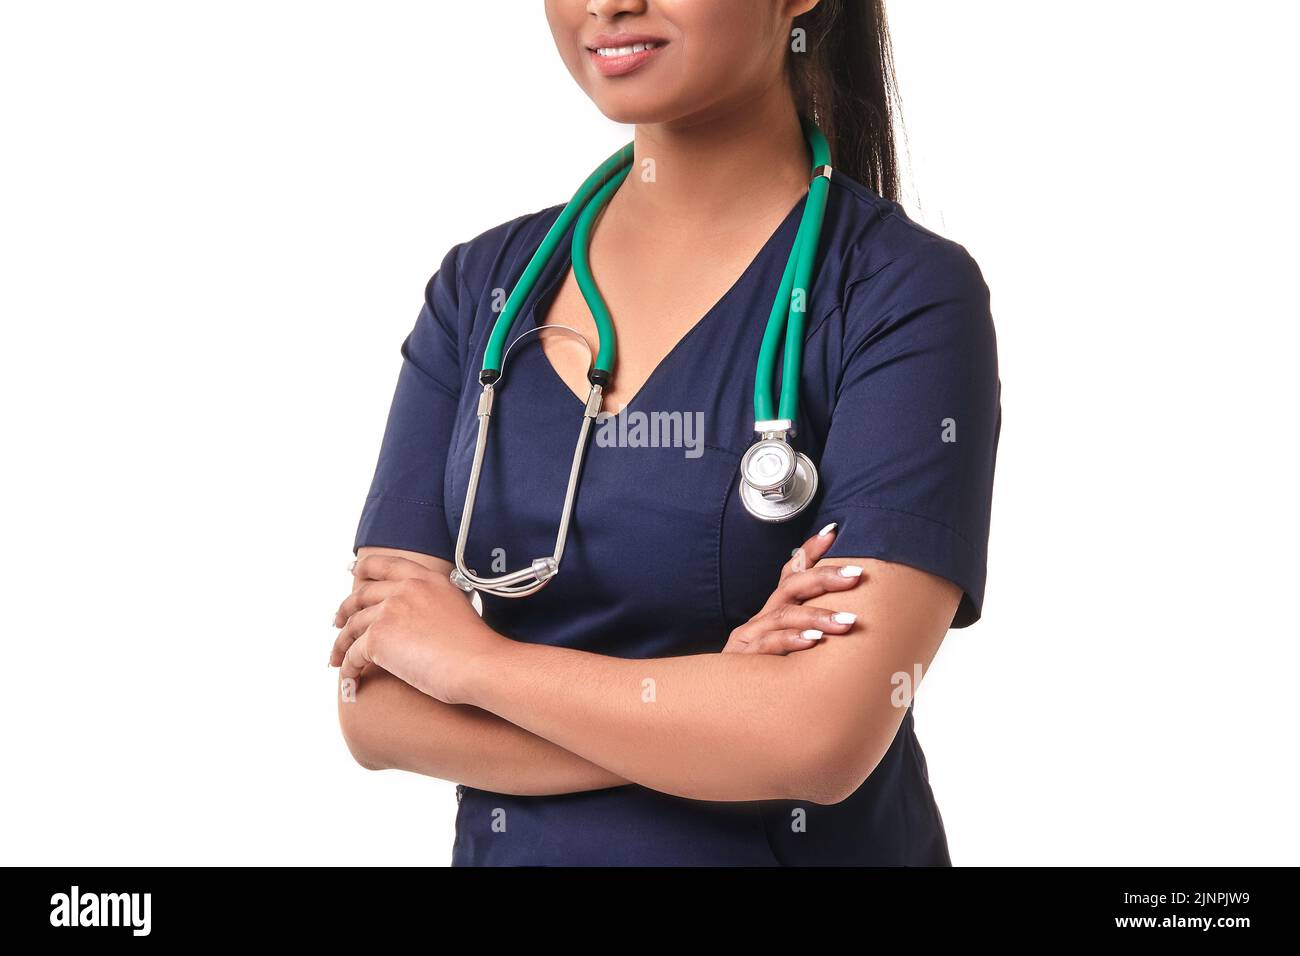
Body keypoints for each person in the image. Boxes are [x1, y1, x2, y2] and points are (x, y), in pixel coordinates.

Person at [330, 0, 1000, 866]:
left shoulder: (902, 297)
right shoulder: (483, 293)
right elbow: (373, 700)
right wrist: (717, 707)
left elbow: (818, 739)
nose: (609, 4)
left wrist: (472, 666)